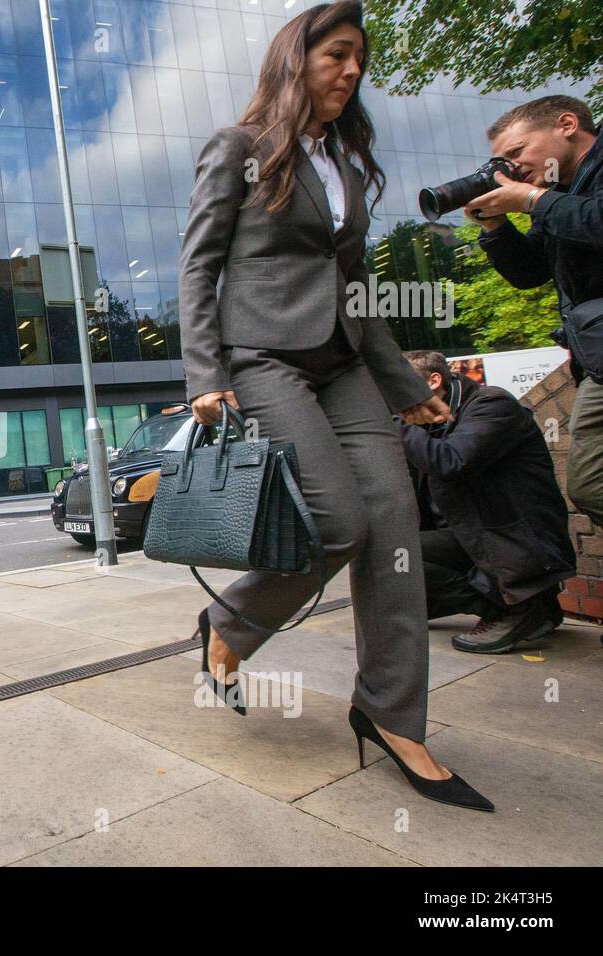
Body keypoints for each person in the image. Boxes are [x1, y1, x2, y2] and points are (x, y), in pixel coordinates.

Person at [180, 2, 492, 810]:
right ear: (297, 58)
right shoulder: (239, 148)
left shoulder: (345, 166)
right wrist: (205, 372)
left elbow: (356, 289)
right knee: (338, 520)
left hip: (345, 360)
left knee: (392, 524)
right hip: (262, 357)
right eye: (338, 54)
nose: (353, 71)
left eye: (361, 60)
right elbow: (199, 265)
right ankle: (229, 626)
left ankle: (392, 713)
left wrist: (406, 389)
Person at [464, 95, 603, 524]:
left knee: (591, 482)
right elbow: (530, 273)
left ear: (567, 124)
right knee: (589, 484)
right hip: (594, 360)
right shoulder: (557, 194)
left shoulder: (550, 196)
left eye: (517, 151)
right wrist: (495, 227)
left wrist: (531, 200)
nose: (512, 167)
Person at [400, 350, 574, 653]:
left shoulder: (492, 405)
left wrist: (394, 424)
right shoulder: (426, 421)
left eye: (398, 387)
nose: (393, 398)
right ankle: (511, 605)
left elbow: (451, 462)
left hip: (512, 535)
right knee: (388, 549)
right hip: (467, 535)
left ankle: (521, 608)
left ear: (433, 381)